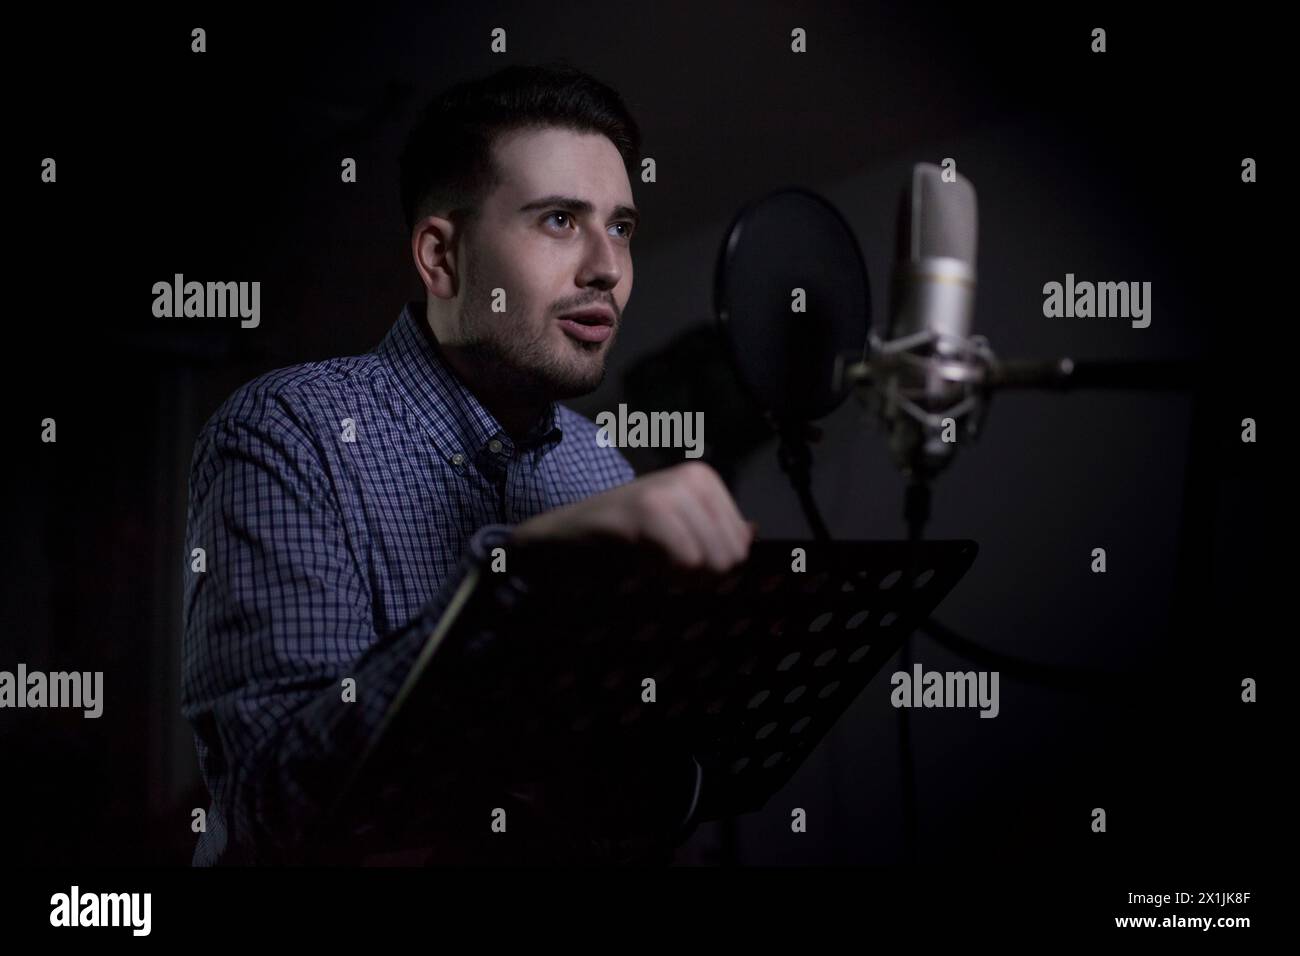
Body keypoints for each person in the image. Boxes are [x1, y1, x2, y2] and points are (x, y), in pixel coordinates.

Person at [181, 63, 753, 866]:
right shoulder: (287, 433)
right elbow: (274, 806)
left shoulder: (600, 471)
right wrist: (516, 580)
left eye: (620, 226)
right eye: (560, 220)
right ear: (441, 257)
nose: (608, 268)